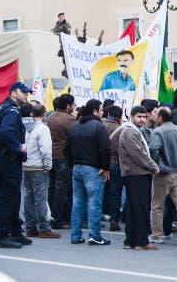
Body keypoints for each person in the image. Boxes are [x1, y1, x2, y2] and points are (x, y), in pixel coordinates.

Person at [64, 98, 111, 246]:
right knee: (94, 203)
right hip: (93, 169)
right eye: (101, 109)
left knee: (77, 203)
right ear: (95, 111)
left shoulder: (75, 126)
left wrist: (73, 163)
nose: (103, 112)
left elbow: (66, 149)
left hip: (77, 168)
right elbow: (105, 148)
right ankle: (94, 235)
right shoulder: (98, 126)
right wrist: (105, 167)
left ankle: (75, 235)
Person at [0, 82, 31, 249]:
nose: (26, 95)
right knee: (8, 197)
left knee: (14, 196)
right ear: (13, 92)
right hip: (8, 158)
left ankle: (15, 232)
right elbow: (6, 131)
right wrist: (18, 146)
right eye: (23, 92)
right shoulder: (11, 110)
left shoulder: (5, 108)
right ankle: (3, 235)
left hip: (6, 158)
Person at [118, 105, 159, 250]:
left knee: (134, 208)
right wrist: (153, 166)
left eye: (144, 117)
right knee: (140, 208)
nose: (142, 119)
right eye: (139, 117)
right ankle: (141, 241)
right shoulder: (130, 132)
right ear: (132, 116)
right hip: (136, 173)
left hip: (135, 173)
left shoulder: (134, 131)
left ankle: (131, 240)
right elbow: (139, 154)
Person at [148, 106, 177, 244]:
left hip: (163, 173)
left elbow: (154, 149)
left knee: (157, 205)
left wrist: (155, 165)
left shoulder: (157, 132)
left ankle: (157, 235)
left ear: (160, 118)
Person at [22, 103, 58, 239]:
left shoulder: (26, 128)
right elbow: (45, 149)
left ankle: (30, 227)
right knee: (41, 198)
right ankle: (44, 227)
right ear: (44, 114)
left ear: (31, 114)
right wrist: (48, 165)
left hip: (26, 165)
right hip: (38, 166)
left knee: (29, 198)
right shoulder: (43, 129)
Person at [48, 93, 75, 229]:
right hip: (63, 158)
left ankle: (51, 216)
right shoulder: (68, 120)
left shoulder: (50, 117)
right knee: (62, 190)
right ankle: (58, 218)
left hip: (52, 156)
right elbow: (75, 136)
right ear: (68, 106)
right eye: (73, 105)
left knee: (53, 188)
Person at [102, 104, 123, 231]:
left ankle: (100, 215)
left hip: (101, 165)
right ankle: (114, 220)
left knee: (101, 192)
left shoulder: (100, 126)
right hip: (115, 164)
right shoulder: (121, 130)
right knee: (115, 192)